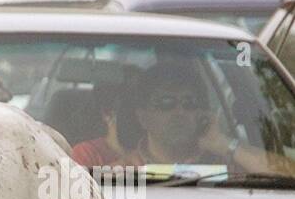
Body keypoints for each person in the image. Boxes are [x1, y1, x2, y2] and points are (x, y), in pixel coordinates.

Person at [75, 60, 295, 175]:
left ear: (201, 113)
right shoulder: (122, 172)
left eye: (189, 104)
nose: (179, 112)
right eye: (166, 104)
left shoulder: (225, 166)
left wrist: (224, 143)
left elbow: (288, 176)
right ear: (142, 117)